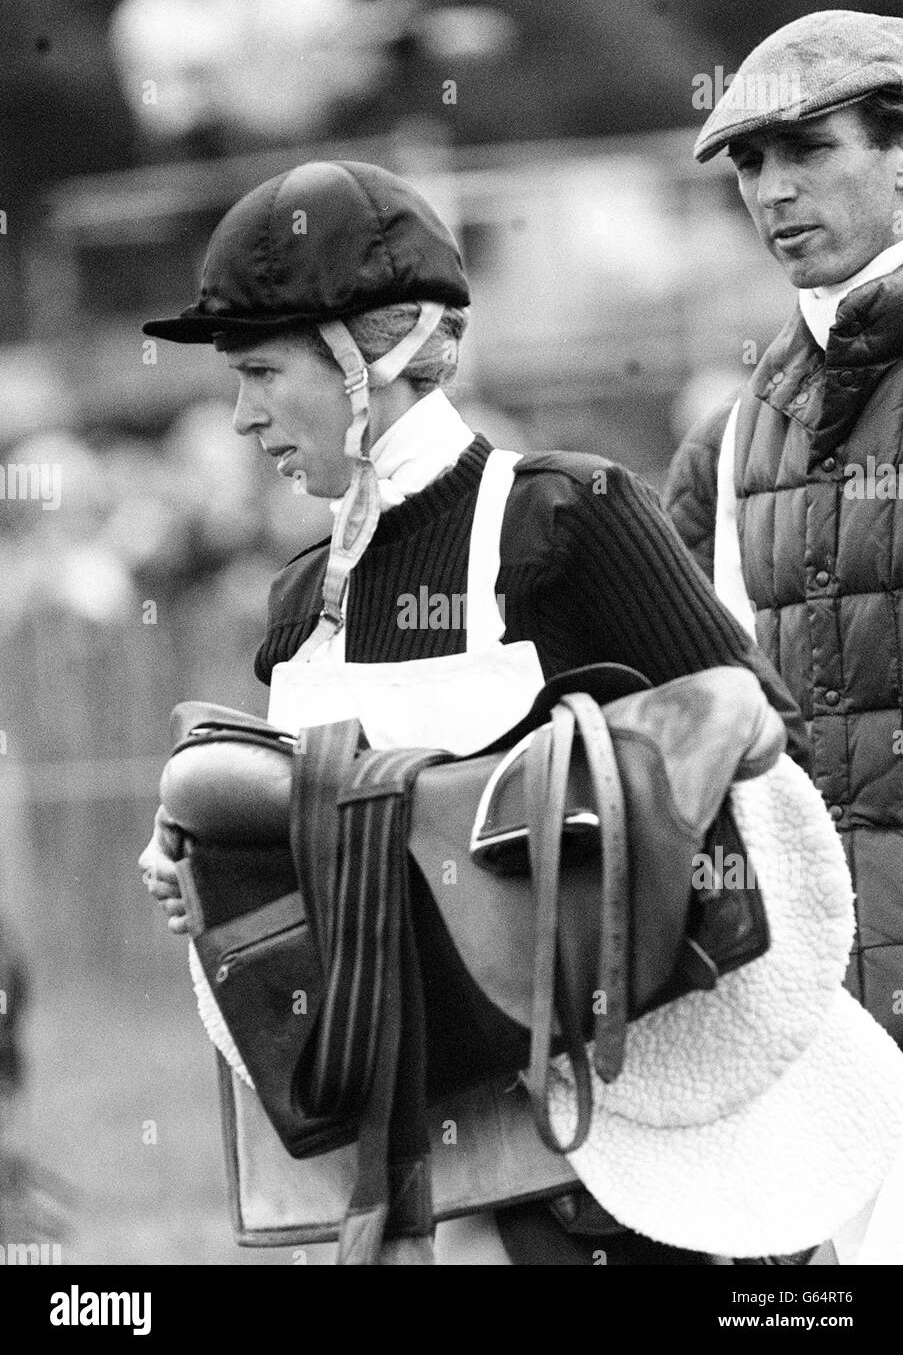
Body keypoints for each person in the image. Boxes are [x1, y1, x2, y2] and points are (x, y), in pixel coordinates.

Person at [140, 159, 808, 1264]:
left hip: (606, 1167)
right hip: (390, 1164)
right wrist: (208, 876)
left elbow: (759, 761)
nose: (241, 414)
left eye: (261, 371)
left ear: (371, 358)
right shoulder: (301, 597)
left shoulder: (568, 513)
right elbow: (313, 851)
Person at [664, 10, 903, 1048]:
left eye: (810, 149)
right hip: (810, 962)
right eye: (750, 163)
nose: (772, 189)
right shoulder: (729, 441)